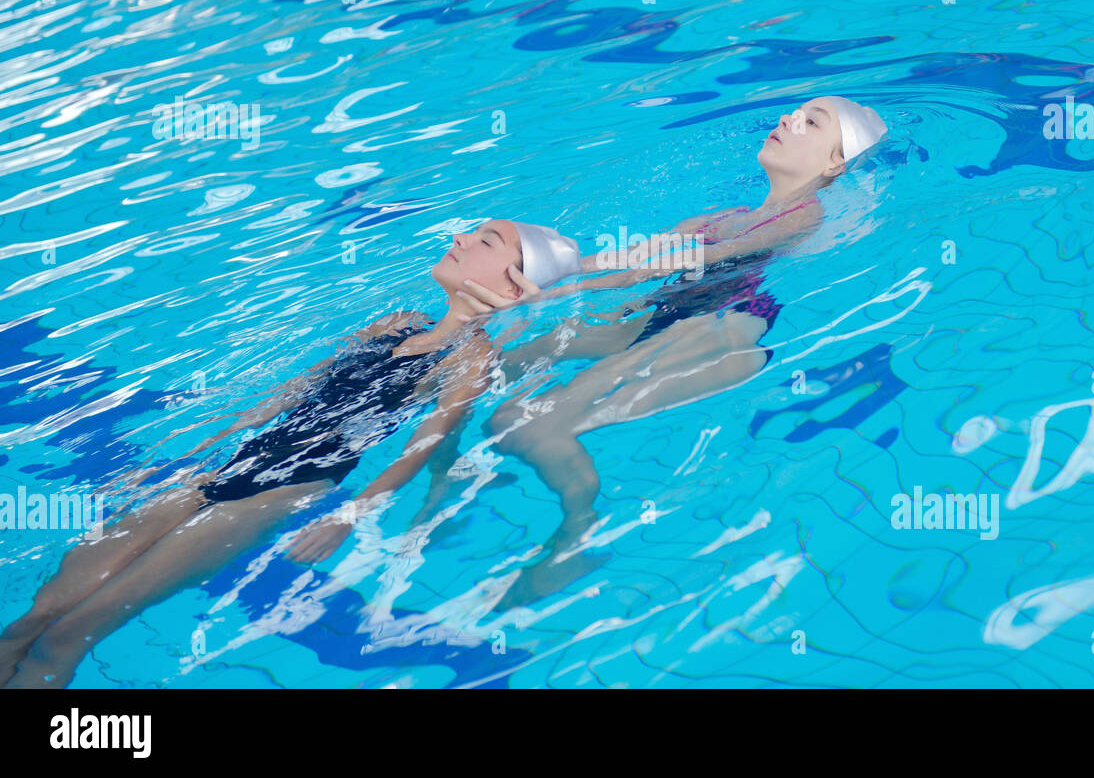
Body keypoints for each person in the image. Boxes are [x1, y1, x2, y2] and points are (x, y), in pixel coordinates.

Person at [0, 219, 582, 688]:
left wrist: (353, 512)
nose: (458, 238)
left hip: (283, 489)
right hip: (225, 469)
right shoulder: (397, 321)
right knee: (34, 618)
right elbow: (287, 396)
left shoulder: (469, 359)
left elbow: (423, 443)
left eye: (483, 241)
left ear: (512, 286)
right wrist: (190, 460)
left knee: (68, 635)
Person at [454, 97, 888, 610]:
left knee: (526, 424)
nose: (787, 120)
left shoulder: (804, 212)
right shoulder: (723, 214)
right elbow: (638, 262)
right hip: (661, 315)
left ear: (836, 163)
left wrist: (562, 292)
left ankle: (578, 536)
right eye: (793, 112)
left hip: (720, 329)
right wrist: (552, 275)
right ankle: (447, 470)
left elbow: (709, 257)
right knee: (501, 361)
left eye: (811, 122)